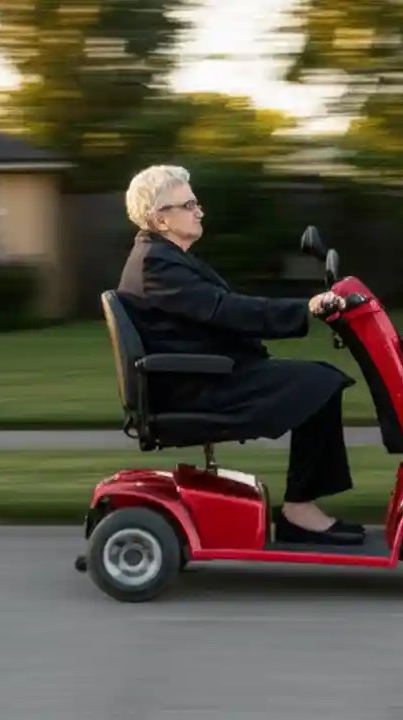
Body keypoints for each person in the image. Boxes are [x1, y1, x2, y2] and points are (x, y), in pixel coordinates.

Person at [115, 165, 365, 546]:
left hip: (204, 377)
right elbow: (223, 310)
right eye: (188, 204)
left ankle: (301, 505)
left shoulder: (164, 257)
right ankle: (300, 510)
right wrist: (306, 309)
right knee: (322, 382)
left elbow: (218, 313)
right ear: (159, 217)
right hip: (198, 387)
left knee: (320, 379)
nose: (199, 211)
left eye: (196, 202)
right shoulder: (157, 265)